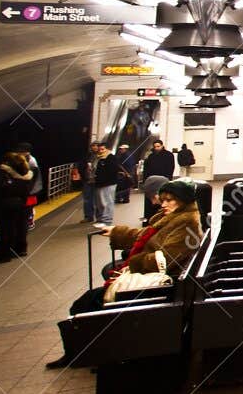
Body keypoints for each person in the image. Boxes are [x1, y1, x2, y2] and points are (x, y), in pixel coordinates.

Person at [46, 180, 204, 369]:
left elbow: (166, 260)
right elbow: (146, 235)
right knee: (90, 297)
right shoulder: (173, 218)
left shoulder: (187, 224)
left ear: (183, 201)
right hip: (161, 282)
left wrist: (132, 262)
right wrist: (117, 233)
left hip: (159, 286)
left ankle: (83, 353)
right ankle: (82, 351)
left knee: (86, 303)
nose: (163, 204)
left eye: (169, 200)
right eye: (162, 200)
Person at [0, 147, 35, 263]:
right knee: (19, 227)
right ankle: (19, 249)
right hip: (20, 203)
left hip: (6, 204)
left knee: (4, 230)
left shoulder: (4, 173)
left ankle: (3, 254)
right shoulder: (26, 174)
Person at [141, 141, 174, 214]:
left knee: (162, 199)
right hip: (152, 181)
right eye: (155, 146)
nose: (156, 148)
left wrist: (168, 179)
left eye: (158, 146)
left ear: (162, 146)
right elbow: (146, 169)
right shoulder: (151, 156)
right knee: (151, 200)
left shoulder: (169, 155)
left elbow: (171, 167)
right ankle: (150, 217)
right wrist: (145, 181)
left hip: (163, 181)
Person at [90, 143, 120, 225]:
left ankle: (107, 221)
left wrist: (102, 177)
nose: (101, 151)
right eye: (99, 150)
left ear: (107, 149)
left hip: (108, 184)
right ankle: (100, 219)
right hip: (98, 183)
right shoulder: (97, 159)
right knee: (99, 203)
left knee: (107, 202)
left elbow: (113, 171)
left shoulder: (111, 158)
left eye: (103, 149)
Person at [71, 144, 97, 223]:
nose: (95, 147)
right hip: (87, 180)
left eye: (96, 146)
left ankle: (100, 218)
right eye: (93, 146)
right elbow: (80, 164)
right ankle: (88, 217)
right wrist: (82, 174)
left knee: (98, 200)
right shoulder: (86, 156)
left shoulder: (101, 156)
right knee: (87, 199)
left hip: (98, 181)